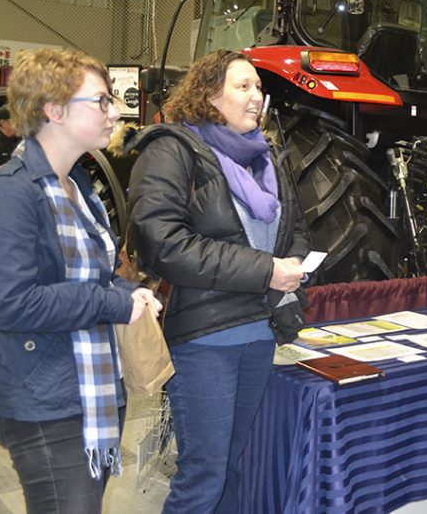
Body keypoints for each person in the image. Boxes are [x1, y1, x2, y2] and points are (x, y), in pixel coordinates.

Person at [125, 49, 311, 513]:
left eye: (259, 88)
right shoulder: (172, 149)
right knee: (204, 475)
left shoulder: (266, 158)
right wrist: (266, 270)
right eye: (243, 86)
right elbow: (162, 242)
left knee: (233, 467)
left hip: (260, 332)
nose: (256, 97)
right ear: (210, 95)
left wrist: (294, 262)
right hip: (204, 339)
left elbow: (297, 230)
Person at [0, 48, 161, 513]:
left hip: (91, 391)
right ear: (54, 110)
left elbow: (94, 275)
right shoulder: (11, 193)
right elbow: (12, 304)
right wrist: (112, 303)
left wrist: (128, 291)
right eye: (100, 101)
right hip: (44, 399)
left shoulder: (77, 185)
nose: (114, 111)